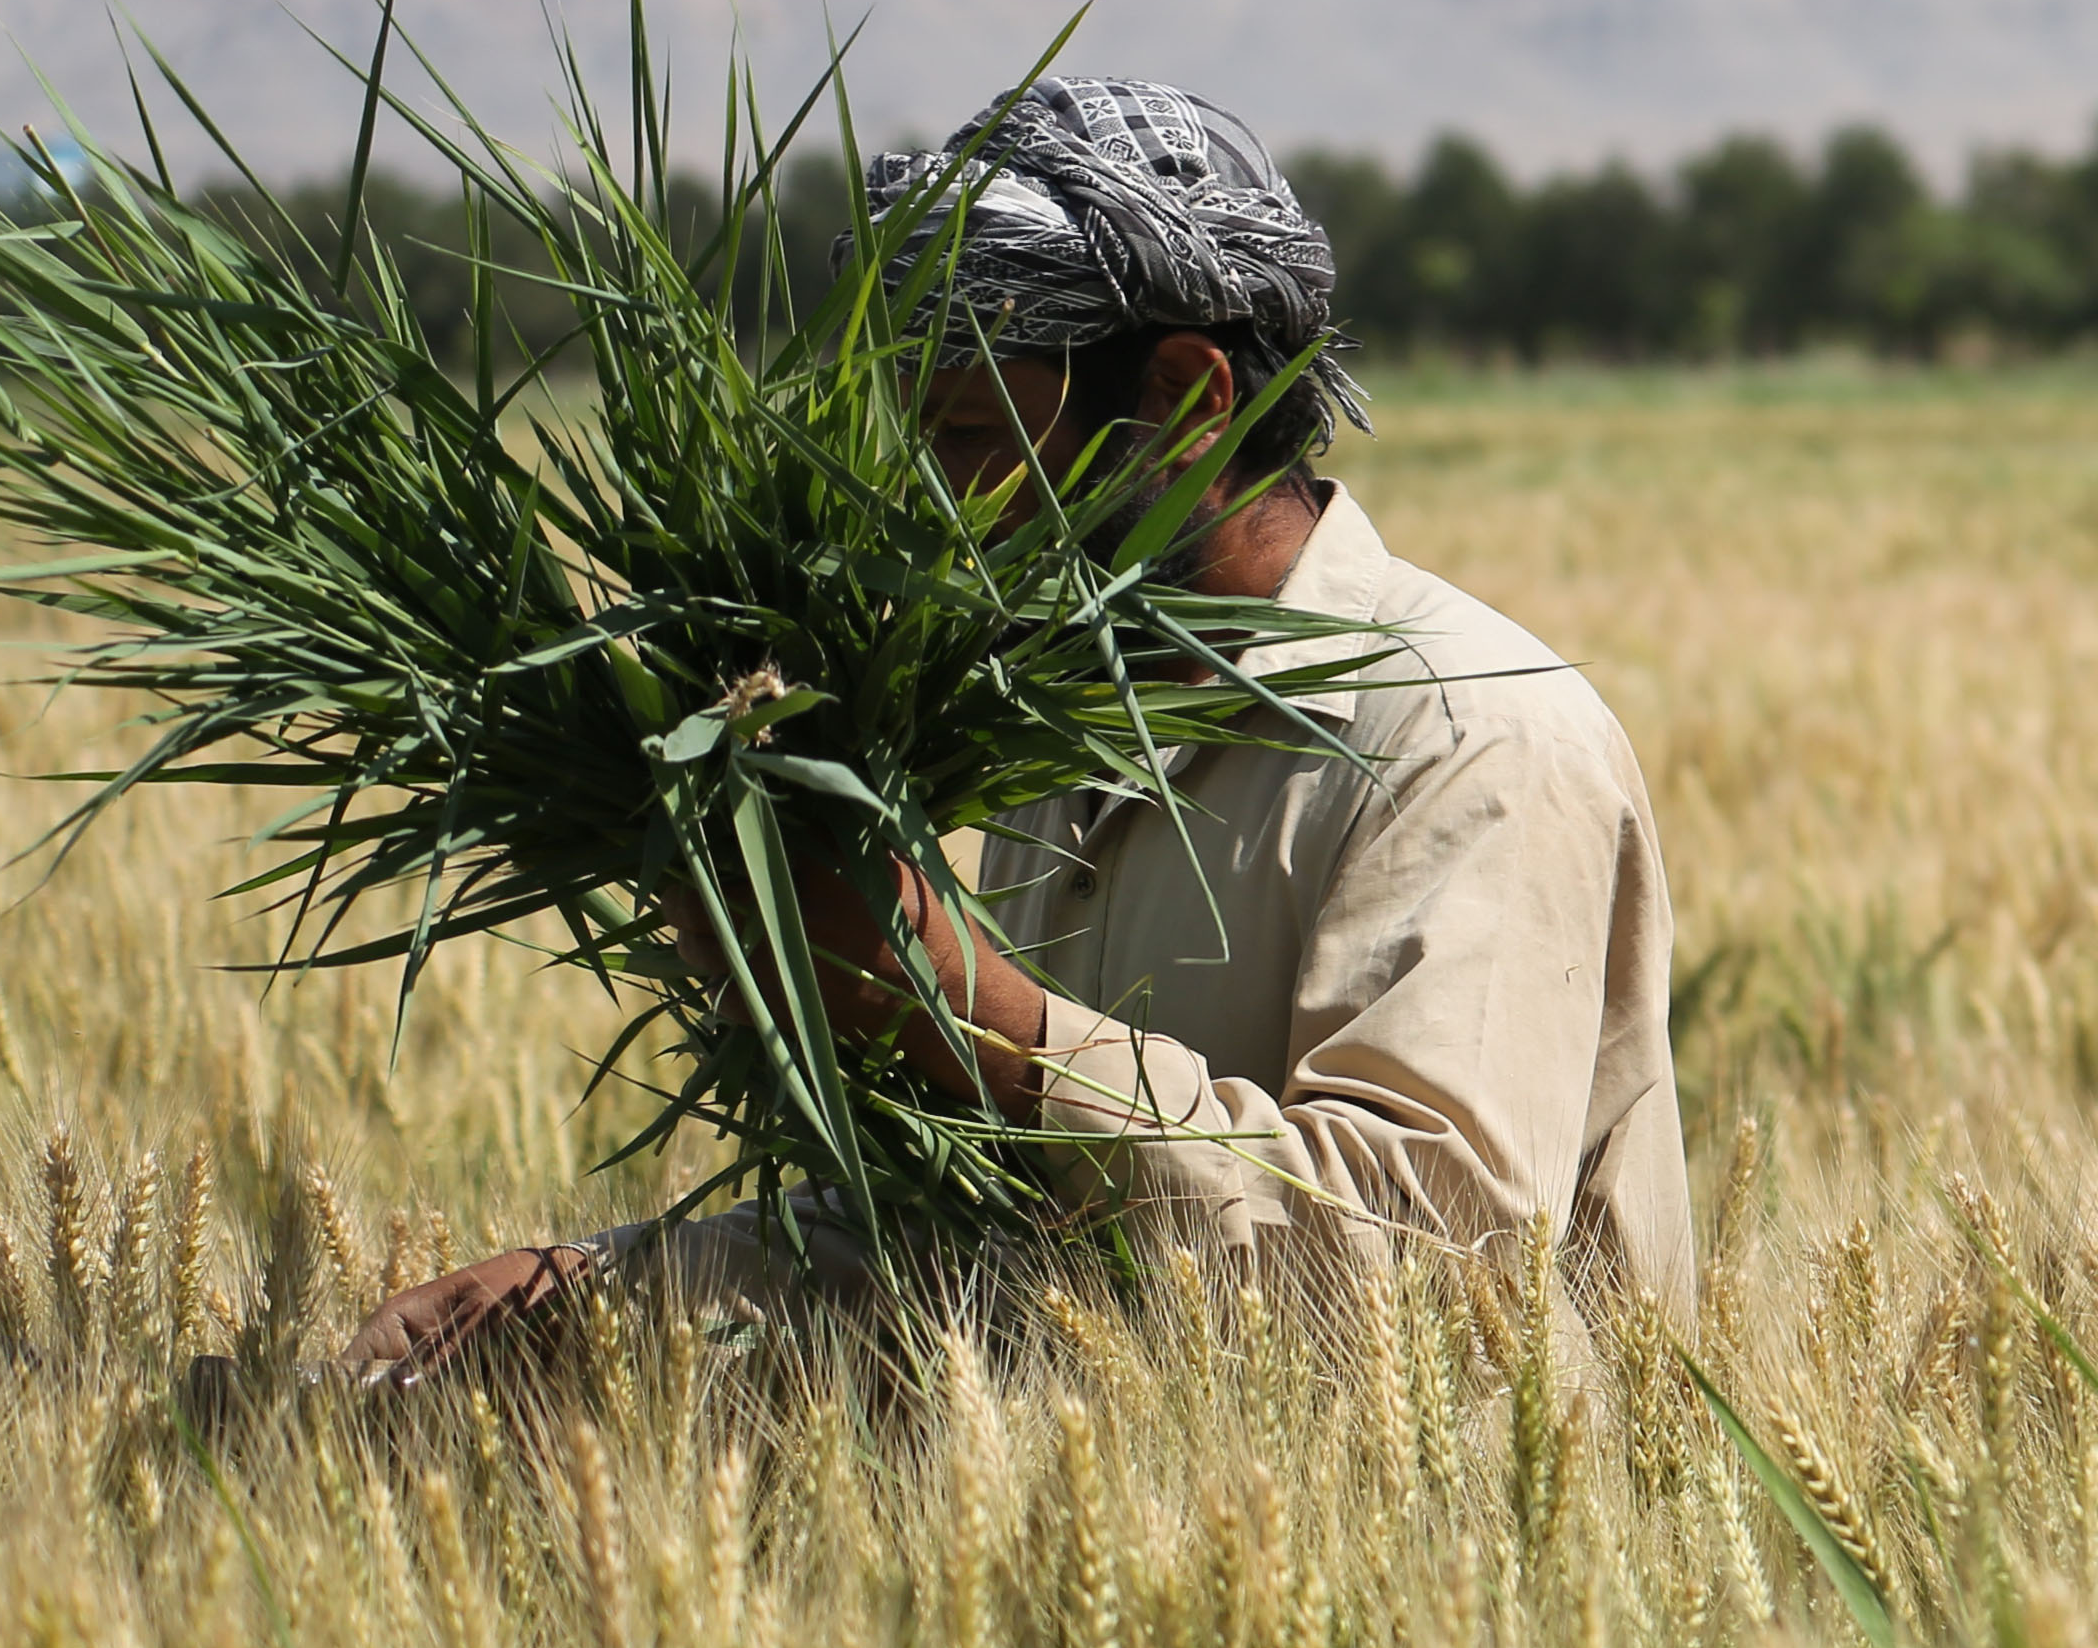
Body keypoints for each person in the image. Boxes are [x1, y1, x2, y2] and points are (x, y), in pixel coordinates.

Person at [341, 76, 1694, 1379]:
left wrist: (965, 1011)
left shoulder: (1472, 741)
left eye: (973, 433)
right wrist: (608, 1291)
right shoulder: (1068, 731)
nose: (929, 506)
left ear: (1188, 399)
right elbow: (1003, 1235)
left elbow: (1431, 1281)